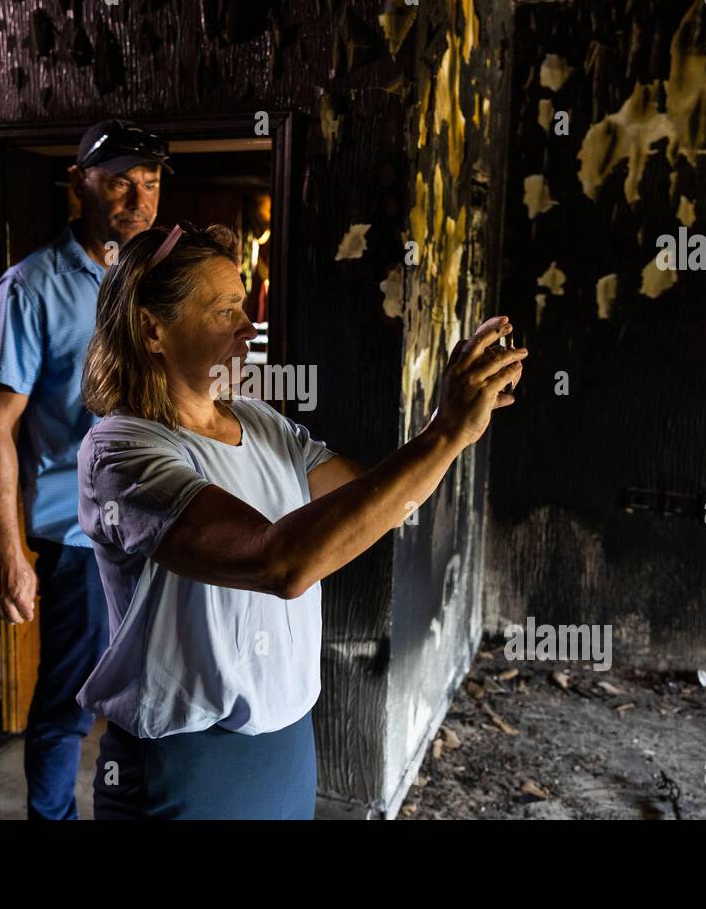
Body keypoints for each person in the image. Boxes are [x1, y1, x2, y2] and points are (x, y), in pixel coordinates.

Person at [76, 222, 528, 819]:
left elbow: (382, 504)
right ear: (151, 330)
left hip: (287, 739)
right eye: (225, 310)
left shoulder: (261, 424)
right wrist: (444, 432)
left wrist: (454, 432)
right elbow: (279, 562)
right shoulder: (123, 453)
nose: (248, 327)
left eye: (245, 305)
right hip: (186, 760)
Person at [0, 119, 172, 819]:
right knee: (70, 701)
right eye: (120, 180)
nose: (138, 197)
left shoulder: (158, 280)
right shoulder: (28, 290)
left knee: (151, 699)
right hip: (80, 539)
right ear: (77, 186)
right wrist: (8, 547)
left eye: (149, 183)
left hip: (164, 528)